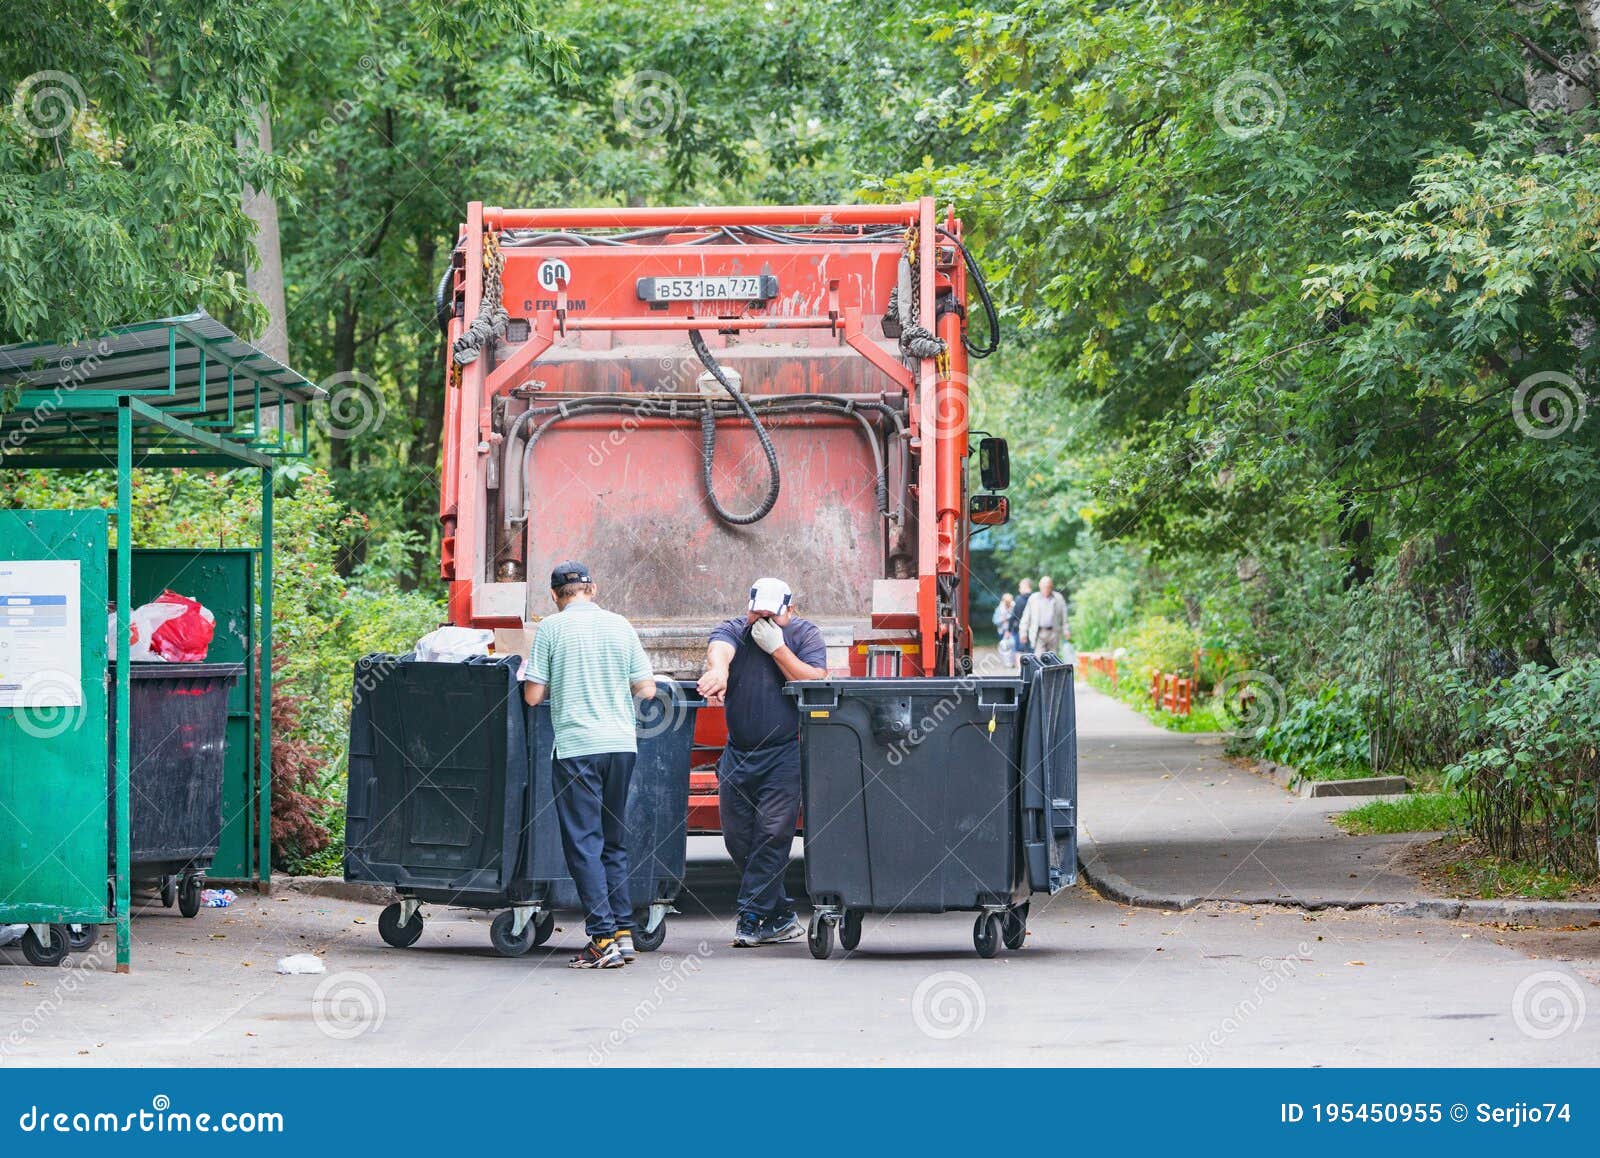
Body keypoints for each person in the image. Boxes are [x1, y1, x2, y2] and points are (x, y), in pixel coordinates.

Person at [523, 560, 657, 969]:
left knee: (584, 844)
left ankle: (601, 939)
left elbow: (532, 696)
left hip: (578, 748)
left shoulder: (550, 629)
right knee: (613, 842)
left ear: (554, 595)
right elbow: (647, 688)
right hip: (621, 746)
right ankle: (622, 932)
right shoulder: (620, 625)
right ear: (592, 590)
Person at [696, 577, 827, 947]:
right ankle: (781, 915)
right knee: (739, 840)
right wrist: (719, 671)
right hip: (739, 752)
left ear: (791, 609)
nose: (764, 622)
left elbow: (816, 679)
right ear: (748, 606)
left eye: (773, 615)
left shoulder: (805, 636)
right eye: (758, 613)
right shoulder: (735, 630)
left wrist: (778, 650)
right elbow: (719, 649)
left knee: (772, 835)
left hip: (784, 753)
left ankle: (751, 917)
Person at [1019, 574, 1070, 658]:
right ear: (1040, 586)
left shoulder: (1058, 598)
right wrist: (1023, 632)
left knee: (1053, 659)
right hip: (1039, 633)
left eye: (1048, 586)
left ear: (1051, 586)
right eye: (1044, 586)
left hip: (1054, 632)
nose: (1046, 589)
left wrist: (1066, 630)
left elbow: (1064, 616)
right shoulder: (1033, 598)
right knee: (1039, 658)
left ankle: (1051, 671)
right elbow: (1026, 617)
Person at [1009, 578, 1034, 655]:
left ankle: (1021, 667)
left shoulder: (1019, 599)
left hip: (1020, 629)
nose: (1019, 589)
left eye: (1020, 587)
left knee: (1019, 652)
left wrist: (1009, 629)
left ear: (1025, 586)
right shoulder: (1035, 598)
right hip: (1033, 629)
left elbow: (1014, 615)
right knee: (1031, 652)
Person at [993, 593, 1017, 668]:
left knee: (1013, 645)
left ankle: (1012, 662)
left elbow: (1016, 619)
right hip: (1002, 631)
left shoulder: (1014, 607)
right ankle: (1008, 663)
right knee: (1005, 646)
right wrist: (1002, 619)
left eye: (1009, 601)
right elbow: (995, 621)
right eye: (1006, 601)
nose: (1008, 603)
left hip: (1012, 630)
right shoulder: (999, 609)